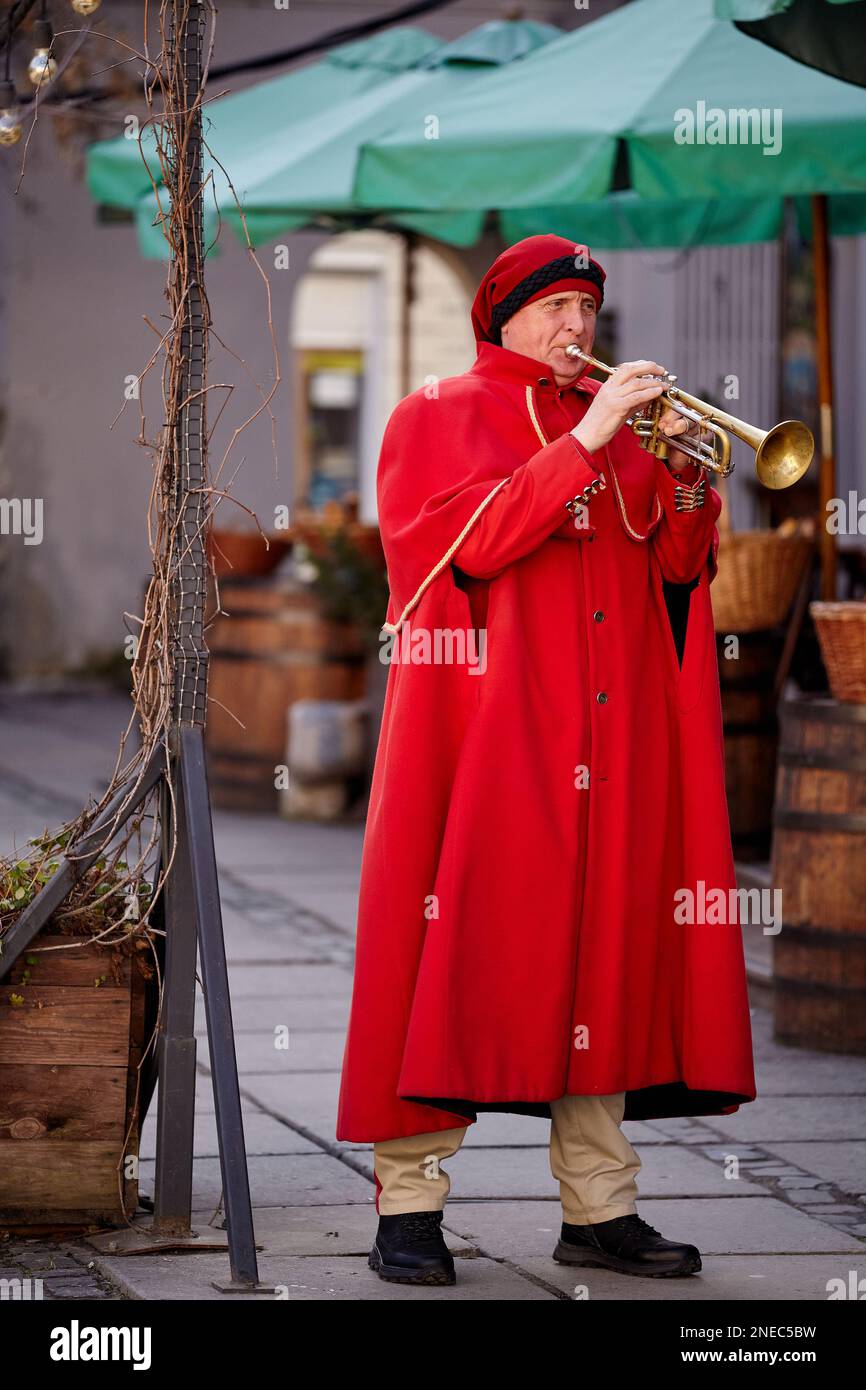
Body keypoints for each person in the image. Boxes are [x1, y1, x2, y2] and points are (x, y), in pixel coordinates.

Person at [336, 233, 757, 1287]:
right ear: (505, 316)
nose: (578, 329)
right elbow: (464, 548)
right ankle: (412, 1205)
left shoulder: (614, 430)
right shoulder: (435, 413)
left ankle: (598, 1207)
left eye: (586, 308)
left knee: (604, 957)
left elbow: (672, 566)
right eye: (556, 308)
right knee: (458, 958)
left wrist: (690, 483)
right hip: (491, 749)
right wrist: (586, 441)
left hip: (614, 748)